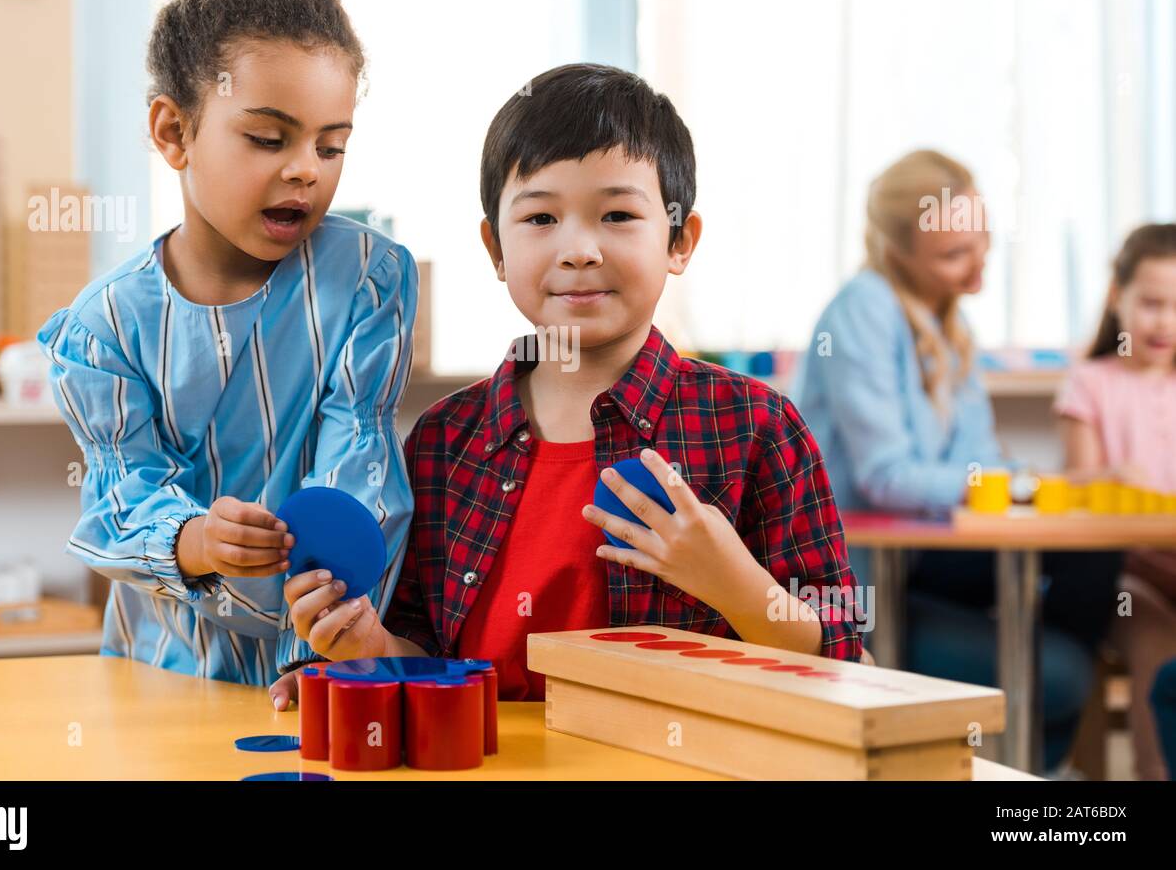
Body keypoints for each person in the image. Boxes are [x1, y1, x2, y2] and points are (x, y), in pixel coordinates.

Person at [268, 62, 861, 708]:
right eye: (542, 219)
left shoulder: (753, 425)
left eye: (616, 214)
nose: (579, 249)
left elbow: (841, 657)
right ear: (496, 248)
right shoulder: (443, 441)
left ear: (680, 239)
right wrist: (369, 650)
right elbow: (425, 657)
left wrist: (735, 582)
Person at [39, 0, 417, 690]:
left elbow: (357, 477)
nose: (306, 167)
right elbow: (121, 497)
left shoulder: (366, 280)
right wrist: (197, 539)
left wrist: (320, 654)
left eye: (330, 144)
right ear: (173, 132)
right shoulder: (103, 327)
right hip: (158, 679)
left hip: (318, 670)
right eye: (269, 138)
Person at [792, 149, 1120, 772]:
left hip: (923, 562)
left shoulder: (946, 321)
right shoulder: (865, 310)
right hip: (864, 584)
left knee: (1093, 557)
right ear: (899, 252)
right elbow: (886, 477)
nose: (977, 273)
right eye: (953, 256)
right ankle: (1028, 762)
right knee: (1065, 673)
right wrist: (1015, 483)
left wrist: (1036, 483)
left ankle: (1029, 763)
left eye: (982, 244)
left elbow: (980, 458)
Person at [1056, 223, 1176, 779]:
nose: (1164, 322)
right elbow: (1079, 490)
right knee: (1158, 646)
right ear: (1116, 297)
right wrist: (1110, 476)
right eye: (1151, 303)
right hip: (1123, 575)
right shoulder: (1090, 382)